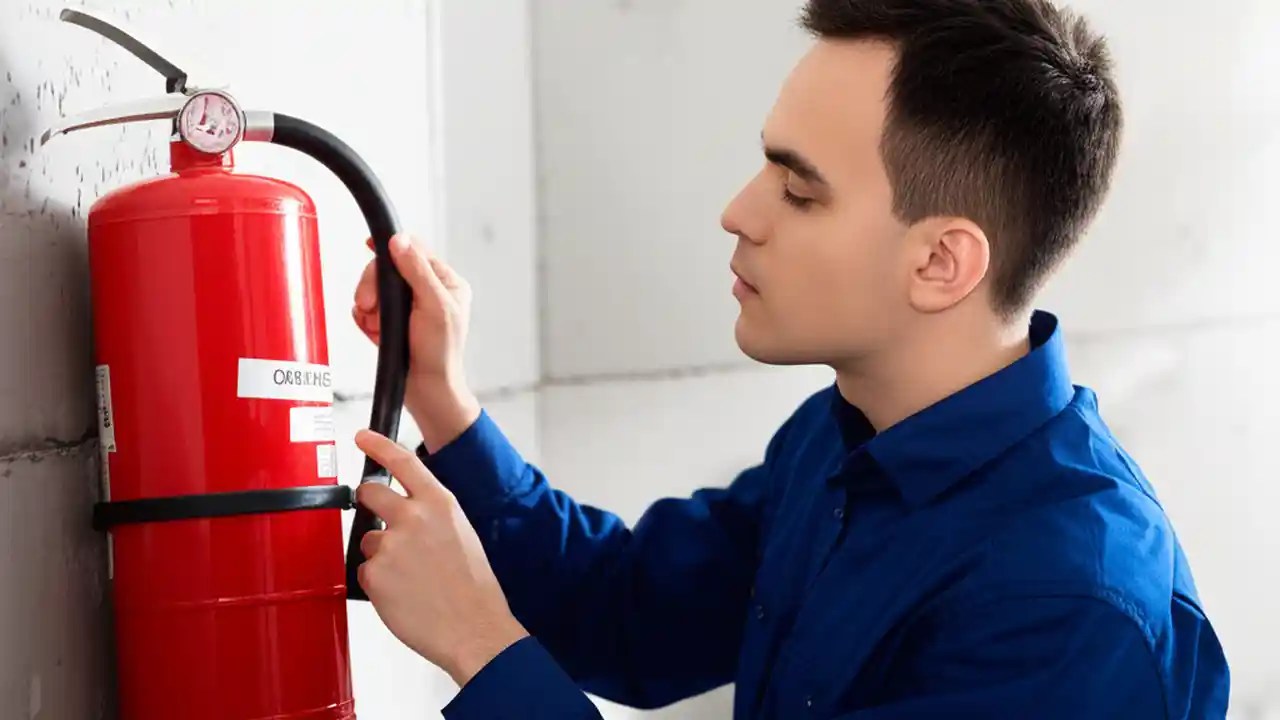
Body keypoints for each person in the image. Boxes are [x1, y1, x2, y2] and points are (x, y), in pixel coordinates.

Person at [349, 0, 1231, 717]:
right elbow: (629, 615)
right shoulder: (847, 435)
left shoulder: (1065, 611)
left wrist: (479, 645)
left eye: (799, 191)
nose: (739, 211)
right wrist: (444, 401)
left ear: (939, 264)